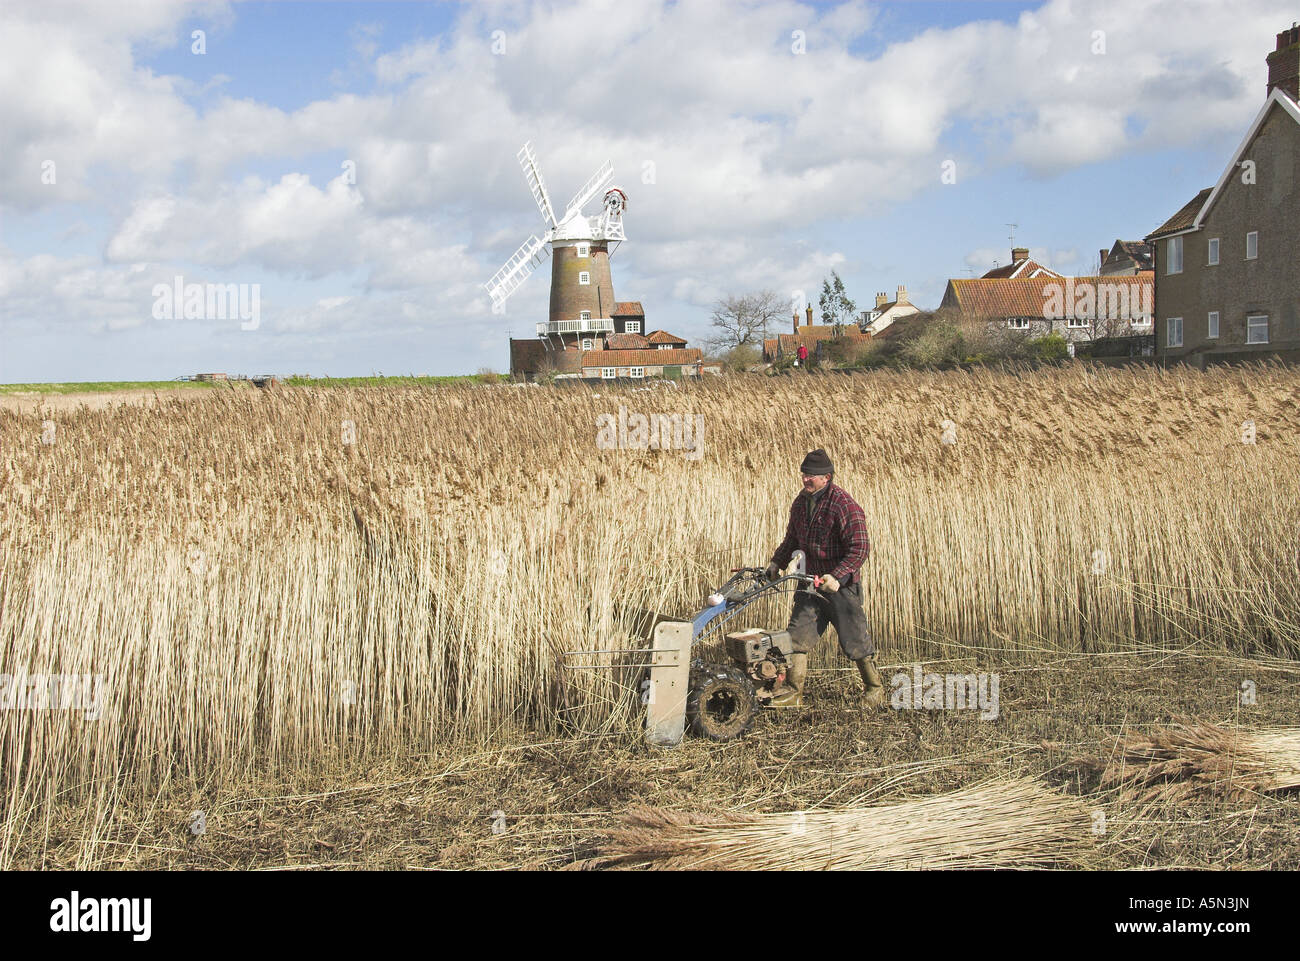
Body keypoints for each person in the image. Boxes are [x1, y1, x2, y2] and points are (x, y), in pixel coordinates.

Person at [764, 448, 883, 707]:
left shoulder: (844, 504)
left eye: (812, 476)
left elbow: (860, 548)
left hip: (840, 588)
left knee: (855, 640)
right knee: (796, 637)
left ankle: (874, 689)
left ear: (826, 477)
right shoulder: (800, 503)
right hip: (810, 584)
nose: (806, 479)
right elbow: (792, 540)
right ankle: (794, 692)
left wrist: (837, 576)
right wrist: (776, 563)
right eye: (804, 475)